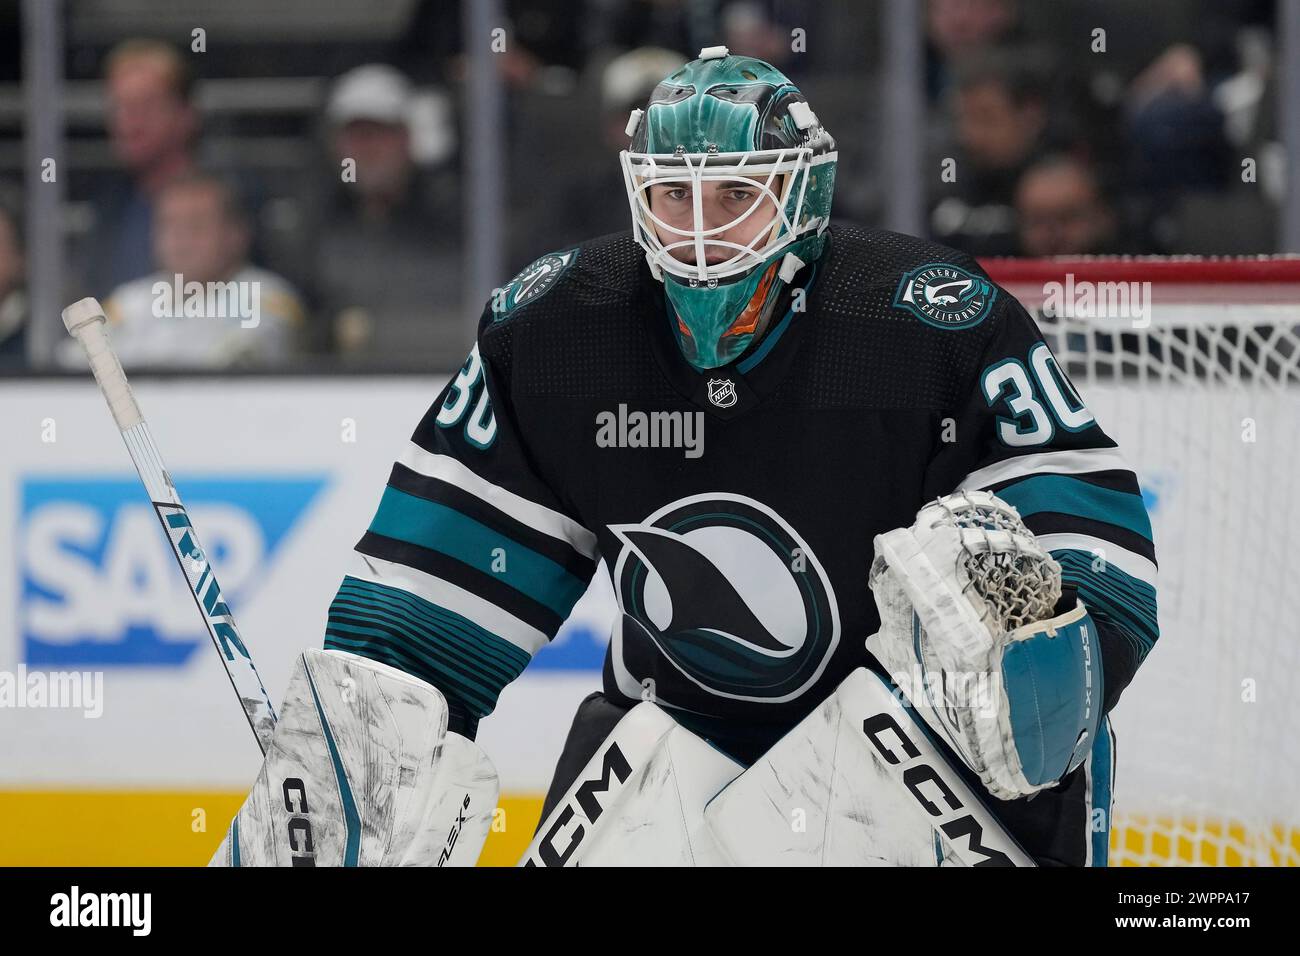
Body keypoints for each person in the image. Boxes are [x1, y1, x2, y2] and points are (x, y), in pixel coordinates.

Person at [214, 48, 1158, 867]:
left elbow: (1095, 557)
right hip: (673, 746)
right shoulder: (561, 335)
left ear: (801, 196)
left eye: (735, 196)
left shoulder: (921, 324)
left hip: (907, 756)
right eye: (674, 195)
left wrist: (1038, 670)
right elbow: (425, 621)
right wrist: (350, 766)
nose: (699, 229)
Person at [73, 172, 304, 369]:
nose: (181, 240)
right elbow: (70, 367)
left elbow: (235, 364)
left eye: (196, 226)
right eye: (169, 224)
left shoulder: (267, 298)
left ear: (237, 235)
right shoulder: (128, 302)